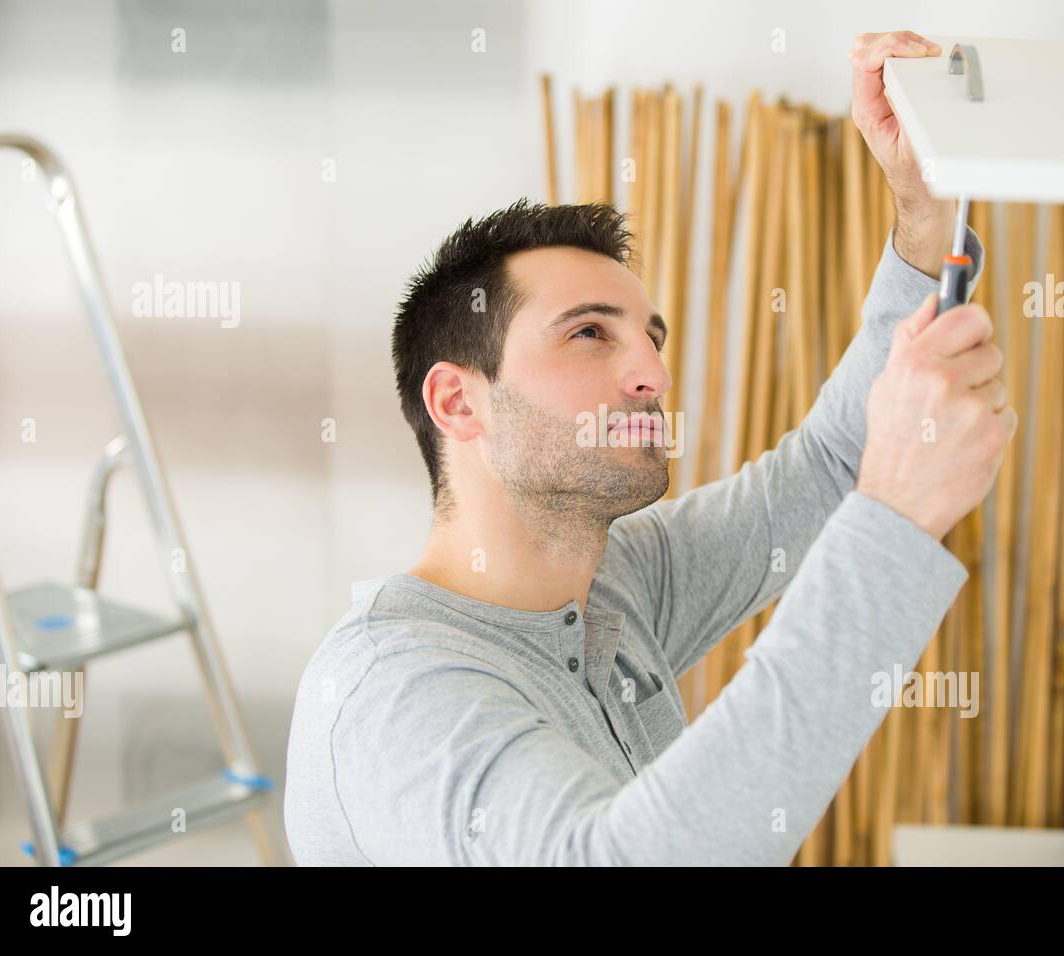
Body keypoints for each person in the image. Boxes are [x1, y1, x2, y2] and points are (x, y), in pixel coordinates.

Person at [284, 30, 1015, 865]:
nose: (652, 372)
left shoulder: (613, 583)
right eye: (590, 333)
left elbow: (826, 468)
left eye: (652, 337)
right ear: (458, 400)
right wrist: (895, 521)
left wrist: (924, 223)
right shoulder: (394, 691)